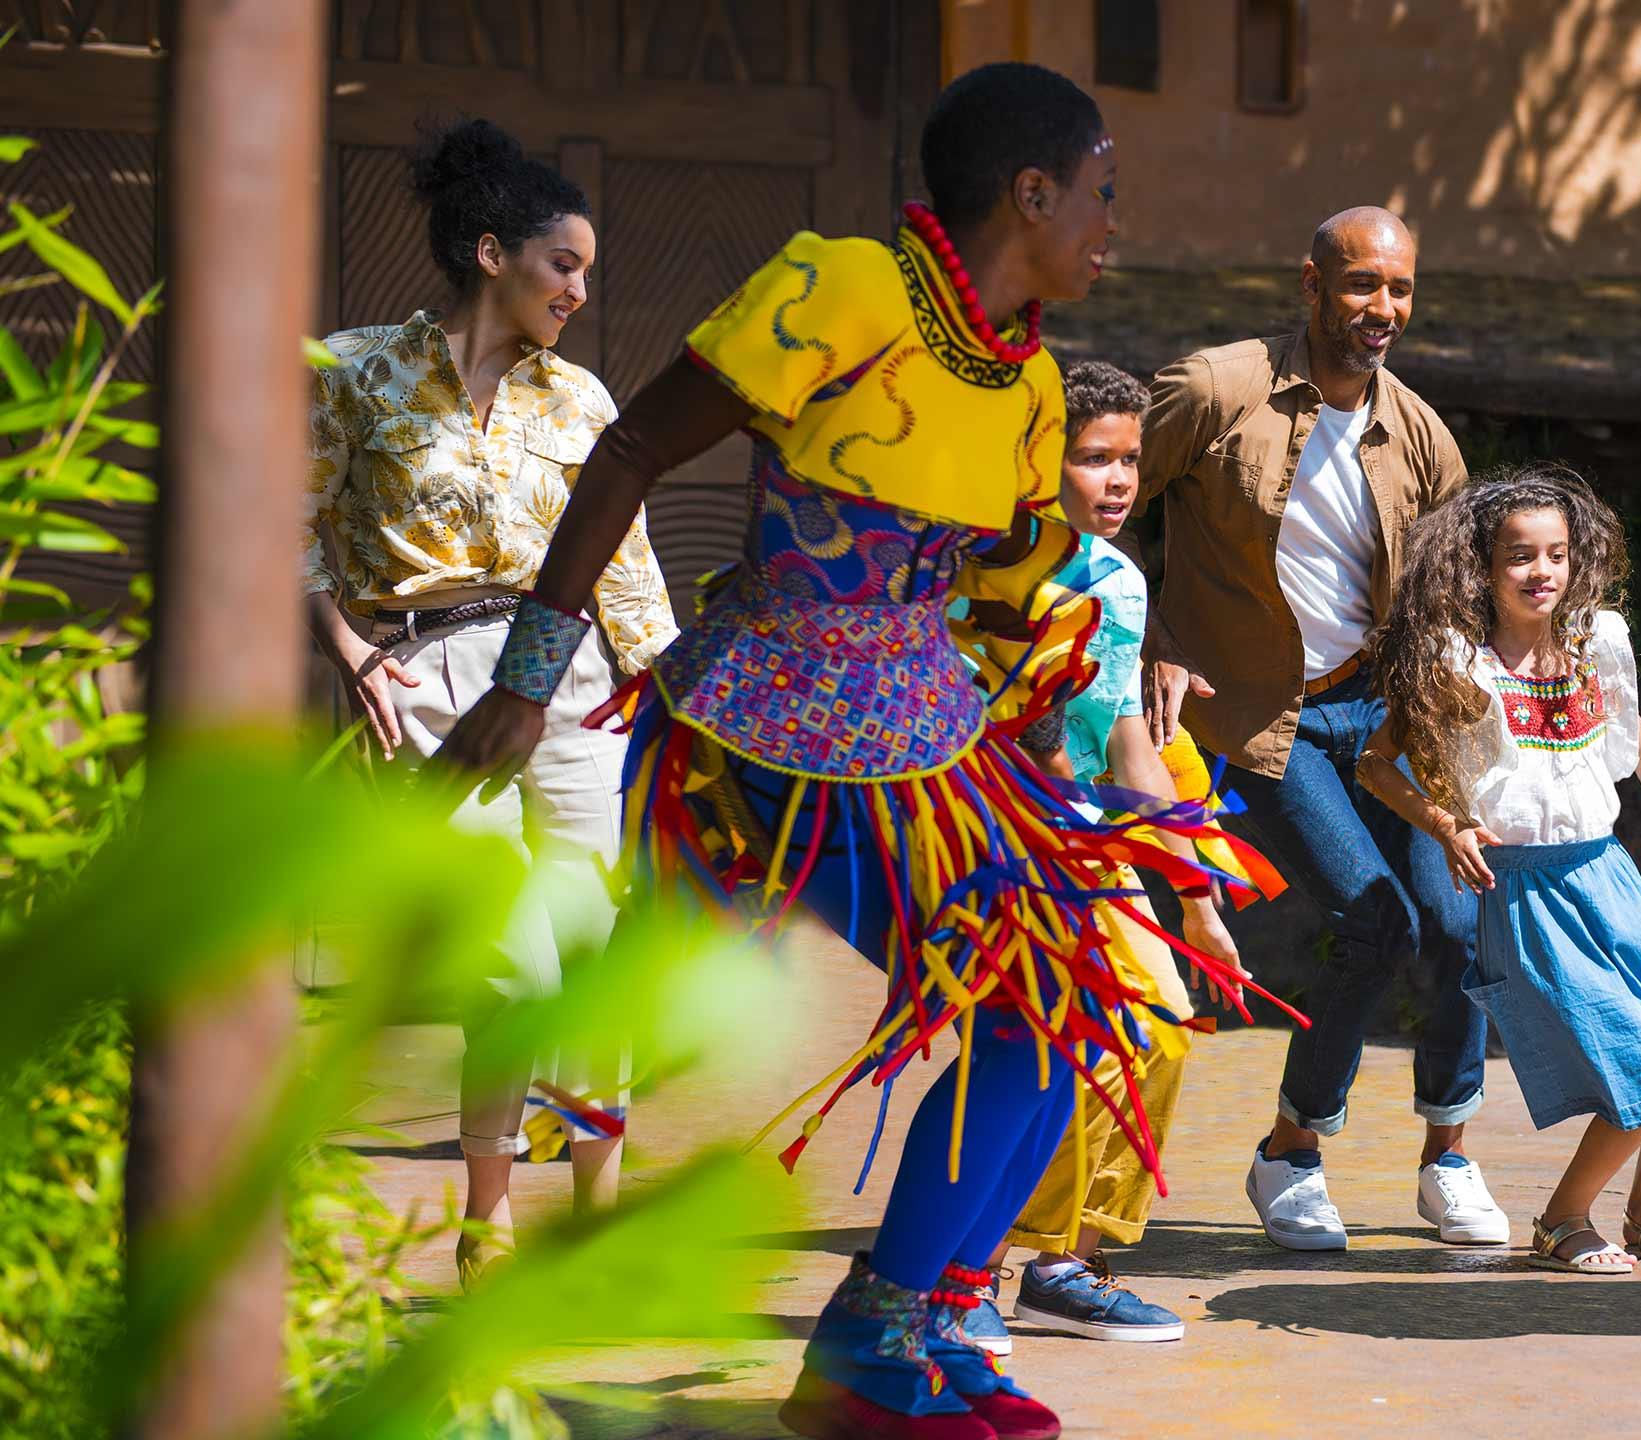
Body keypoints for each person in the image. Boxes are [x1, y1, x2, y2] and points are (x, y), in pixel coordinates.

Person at [434, 65, 1261, 1440]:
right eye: (1103, 193)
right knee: (1027, 1005)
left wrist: (1094, 762)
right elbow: (633, 446)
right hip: (769, 729)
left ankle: (936, 1317)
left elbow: (1012, 605)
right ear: (1032, 192)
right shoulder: (845, 291)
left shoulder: (1036, 384)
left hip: (920, 735)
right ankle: (869, 1346)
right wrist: (530, 679)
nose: (1116, 224)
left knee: (1066, 1005)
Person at [301, 118, 674, 1285]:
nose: (577, 290)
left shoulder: (583, 400)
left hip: (570, 679)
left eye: (586, 273)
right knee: (509, 961)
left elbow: (627, 566)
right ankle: (486, 1209)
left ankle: (596, 1216)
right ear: (489, 253)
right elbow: (287, 525)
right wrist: (350, 651)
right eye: (563, 264)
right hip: (424, 683)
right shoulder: (352, 371)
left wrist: (667, 705)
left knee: (589, 945)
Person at [1139, 206, 1505, 1253]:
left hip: (1388, 712)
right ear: (1310, 284)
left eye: (1397, 290)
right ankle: (1290, 1154)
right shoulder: (1215, 390)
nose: (1380, 309)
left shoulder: (1422, 433)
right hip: (1265, 715)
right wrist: (1155, 635)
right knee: (1375, 919)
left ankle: (1448, 1156)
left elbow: (1449, 594)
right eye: (1359, 286)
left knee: (1458, 922)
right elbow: (1098, 499)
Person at [1358, 465, 1641, 1274]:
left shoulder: (1595, 648)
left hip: (1611, 875)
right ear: (1483, 567)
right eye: (1520, 556)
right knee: (1640, 1069)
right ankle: (1562, 1219)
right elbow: (1374, 763)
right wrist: (1444, 823)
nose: (1543, 572)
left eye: (1557, 554)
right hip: (1530, 890)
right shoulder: (1459, 665)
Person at [963, 361, 1273, 1351]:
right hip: (990, 842)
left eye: (1130, 459)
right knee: (1035, 1044)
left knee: (1157, 1027)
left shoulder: (1120, 581)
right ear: (1036, 460)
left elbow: (1129, 742)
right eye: (1092, 457)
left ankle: (1068, 1264)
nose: (1118, 479)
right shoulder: (982, 571)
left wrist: (1194, 895)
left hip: (1092, 846)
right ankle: (967, 1268)